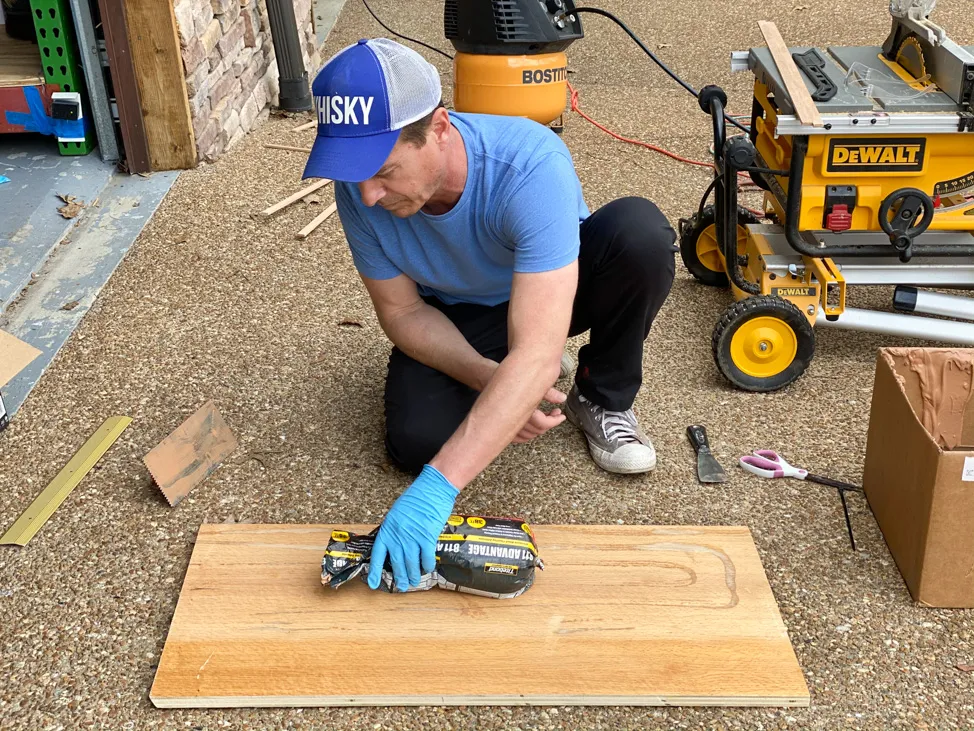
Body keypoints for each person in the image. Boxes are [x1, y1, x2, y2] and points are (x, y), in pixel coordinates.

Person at [303, 38, 676, 593]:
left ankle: (601, 395)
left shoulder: (528, 163)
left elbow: (538, 350)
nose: (368, 194)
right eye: (354, 172)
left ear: (439, 128)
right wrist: (492, 379)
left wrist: (439, 489)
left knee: (640, 237)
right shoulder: (359, 189)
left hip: (550, 289)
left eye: (384, 170)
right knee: (414, 442)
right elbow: (402, 311)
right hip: (460, 313)